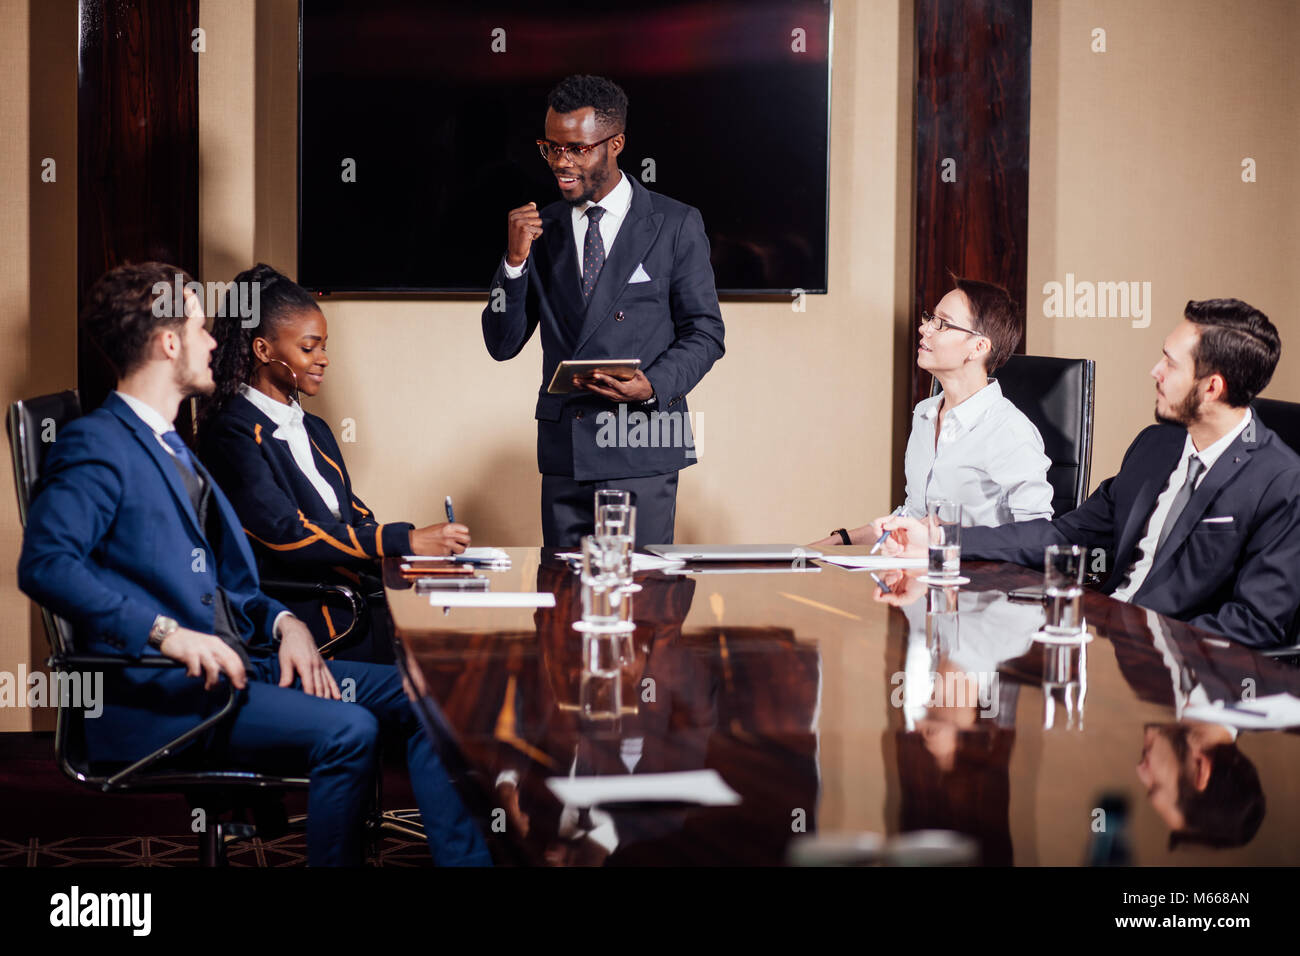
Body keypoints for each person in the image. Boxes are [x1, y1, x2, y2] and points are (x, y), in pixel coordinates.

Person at [18, 262, 490, 866]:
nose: (216, 343)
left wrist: (281, 623)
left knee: (433, 696)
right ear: (168, 344)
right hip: (164, 697)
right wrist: (167, 635)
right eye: (200, 330)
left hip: (241, 664)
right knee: (351, 731)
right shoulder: (99, 444)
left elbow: (212, 580)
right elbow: (46, 566)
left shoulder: (166, 444)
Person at [876, 298, 1300, 649]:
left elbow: (1256, 623)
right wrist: (941, 540)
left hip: (1178, 668)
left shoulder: (1280, 482)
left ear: (1212, 387)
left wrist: (1141, 640)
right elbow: (1059, 536)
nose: (1155, 371)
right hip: (1101, 639)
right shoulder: (1155, 447)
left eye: (1170, 364)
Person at [481, 74, 725, 548]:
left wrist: (652, 384)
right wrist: (513, 263)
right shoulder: (540, 227)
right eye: (550, 148)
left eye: (576, 149)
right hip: (565, 450)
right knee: (564, 605)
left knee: (642, 604)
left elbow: (705, 332)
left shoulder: (675, 224)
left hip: (643, 441)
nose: (561, 163)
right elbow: (501, 343)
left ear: (615, 144)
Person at [198, 264, 469, 662]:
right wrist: (403, 540)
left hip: (354, 603)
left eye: (324, 346)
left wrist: (414, 557)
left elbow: (354, 515)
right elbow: (286, 535)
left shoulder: (315, 428)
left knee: (457, 652)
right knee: (434, 681)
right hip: (309, 618)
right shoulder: (231, 432)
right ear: (263, 350)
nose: (323, 359)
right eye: (309, 348)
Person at [813, 277, 1051, 548]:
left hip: (985, 583)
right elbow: (913, 516)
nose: (924, 328)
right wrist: (840, 541)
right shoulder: (925, 413)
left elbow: (1037, 534)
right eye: (930, 318)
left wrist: (950, 536)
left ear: (979, 347)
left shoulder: (1008, 430)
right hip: (924, 577)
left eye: (942, 323)